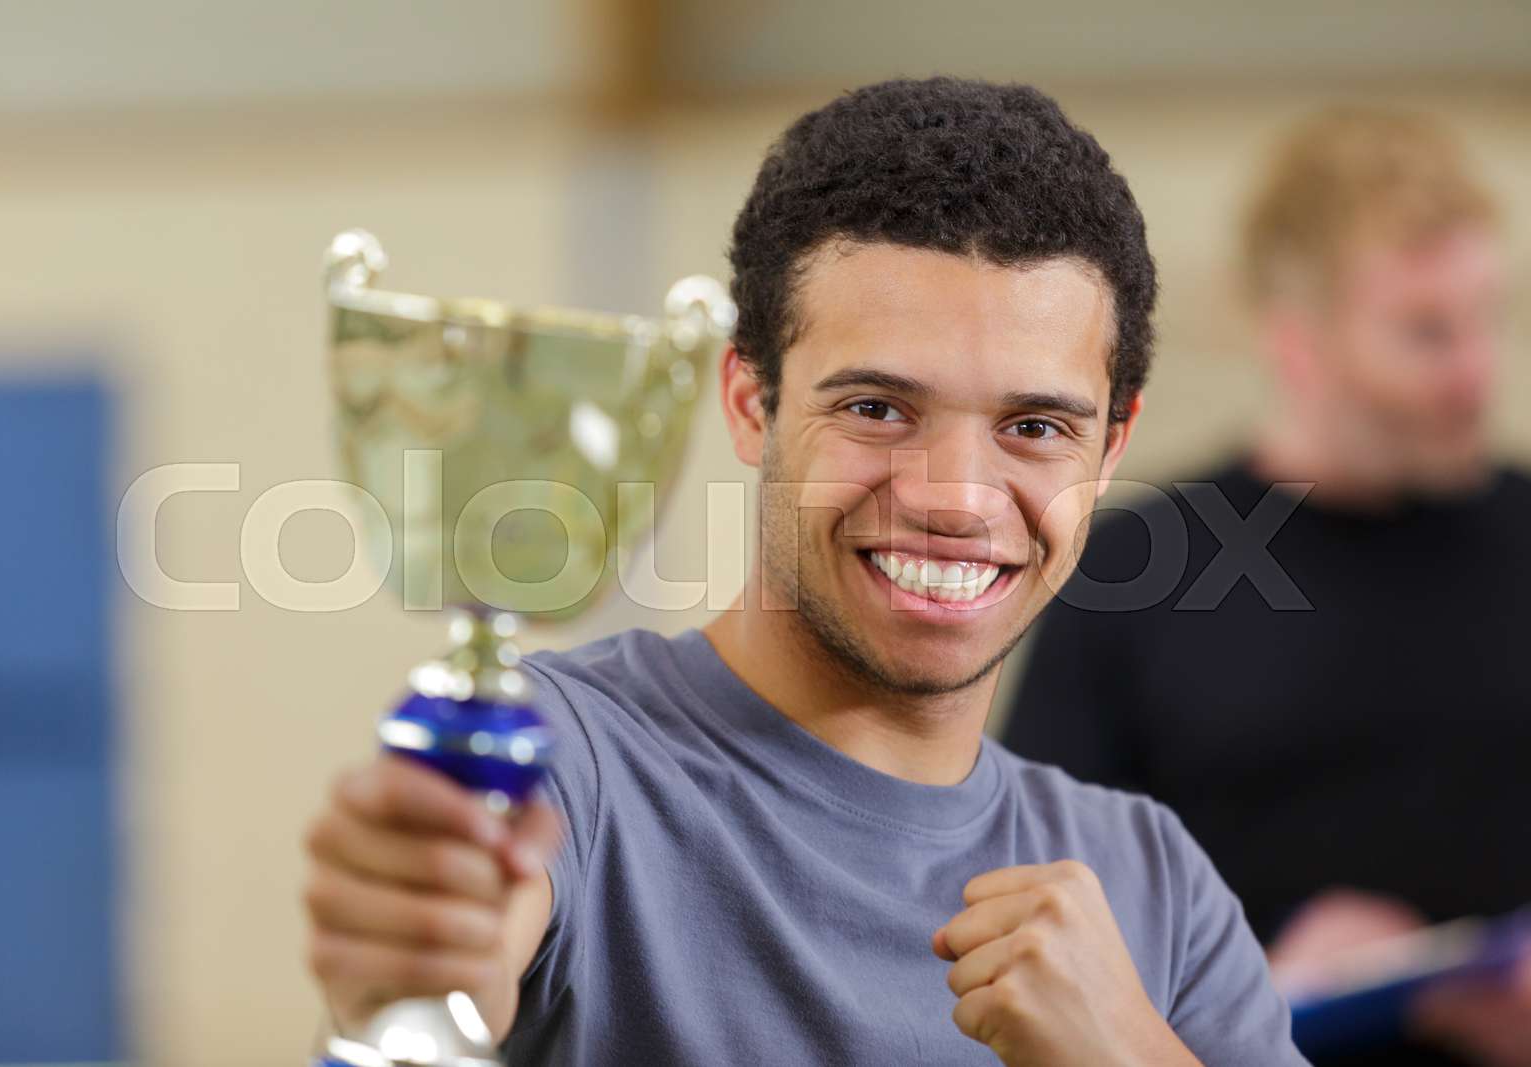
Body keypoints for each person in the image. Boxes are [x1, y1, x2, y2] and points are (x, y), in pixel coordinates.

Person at [302, 78, 1307, 1066]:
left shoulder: (1152, 883)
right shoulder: (563, 764)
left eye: (1034, 426)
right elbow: (456, 951)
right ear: (749, 400)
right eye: (876, 408)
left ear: (1111, 443)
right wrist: (408, 989)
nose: (956, 496)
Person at [1004, 108, 1529, 1067]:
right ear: (1298, 342)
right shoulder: (1130, 570)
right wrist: (1259, 976)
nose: (1475, 374)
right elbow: (1030, 909)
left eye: (1487, 320)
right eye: (1426, 333)